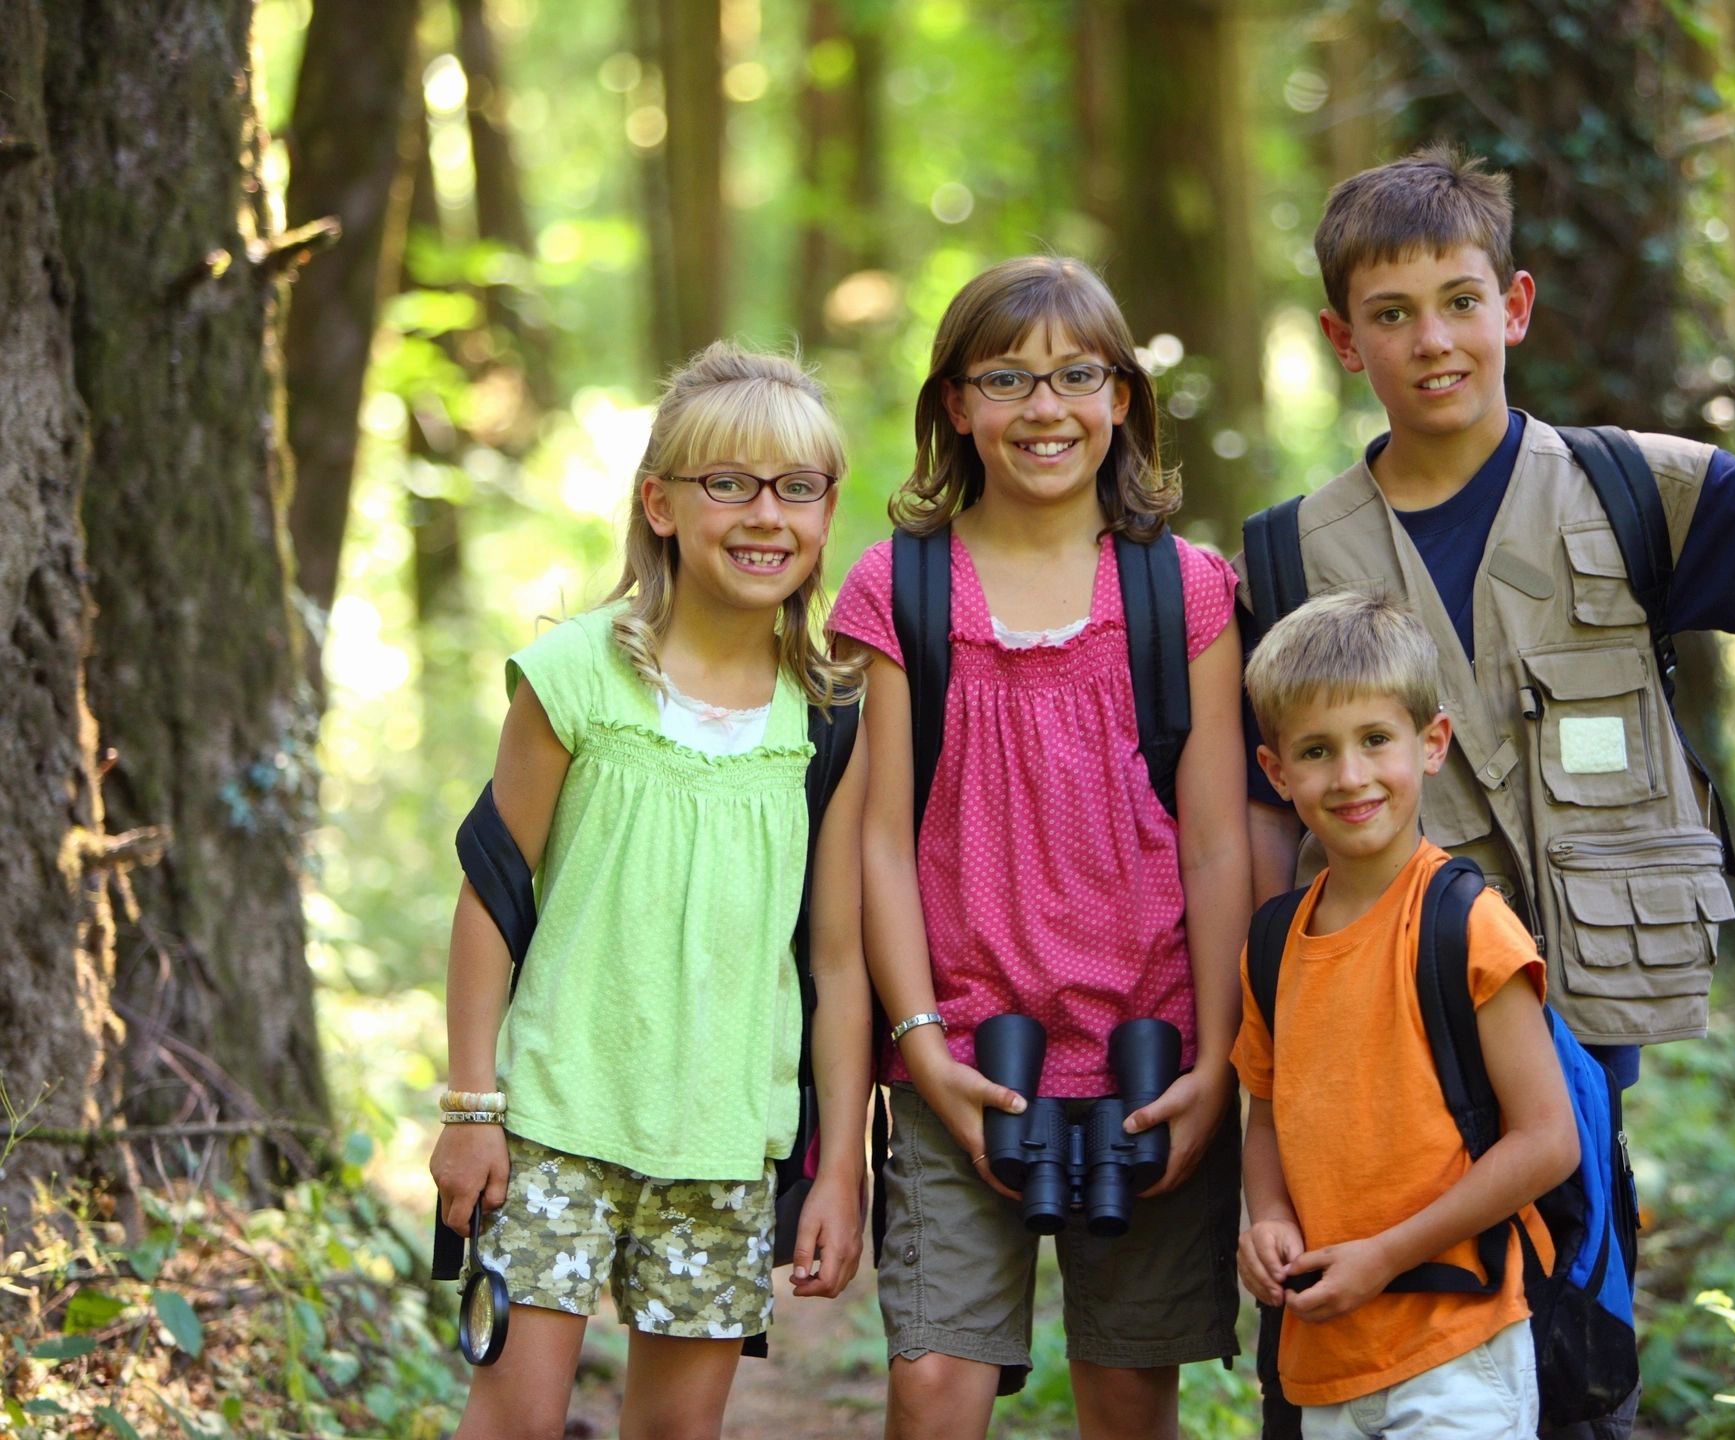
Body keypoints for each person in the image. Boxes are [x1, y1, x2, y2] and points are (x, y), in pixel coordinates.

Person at [1237, 140, 1735, 1439]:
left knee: (1575, 1386)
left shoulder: (1627, 488)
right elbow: (1256, 838)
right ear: (1340, 338)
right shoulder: (1283, 553)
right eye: (1391, 313)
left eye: (1461, 300)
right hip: (1370, 1090)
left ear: (1516, 306)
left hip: (1574, 1076)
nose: (1433, 340)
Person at [829, 256, 1251, 1440]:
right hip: (959, 1046)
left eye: (1076, 375)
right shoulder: (900, 587)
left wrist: (1215, 1060)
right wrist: (917, 1041)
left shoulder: (1186, 591)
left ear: (1123, 397)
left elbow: (1219, 848)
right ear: (956, 404)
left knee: (1127, 1394)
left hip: (1151, 1051)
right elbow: (879, 844)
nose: (1044, 408)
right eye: (1006, 378)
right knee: (934, 1384)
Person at [428, 342, 872, 1439]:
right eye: (729, 483)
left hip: (723, 1145)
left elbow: (836, 958)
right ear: (661, 504)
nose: (766, 515)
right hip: (553, 1125)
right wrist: (472, 1109)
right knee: (516, 1420)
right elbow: (492, 894)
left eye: (798, 489)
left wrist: (837, 1169)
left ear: (825, 513)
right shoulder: (576, 674)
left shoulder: (828, 717)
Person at [1234, 589, 1580, 1440]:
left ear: (1432, 744)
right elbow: (1270, 1113)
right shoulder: (1275, 942)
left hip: (1459, 1339)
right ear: (1277, 772)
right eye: (1316, 751)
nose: (1349, 777)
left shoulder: (1466, 924)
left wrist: (1388, 1254)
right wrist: (1269, 1217)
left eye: (1375, 741)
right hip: (1327, 1354)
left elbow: (1547, 1139)